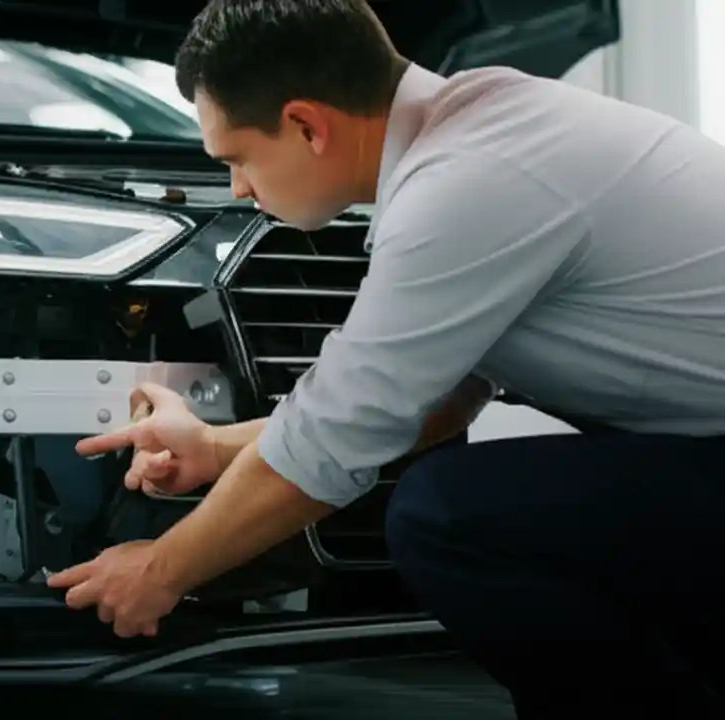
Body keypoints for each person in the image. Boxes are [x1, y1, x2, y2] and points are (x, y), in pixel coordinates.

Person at [45, 0, 725, 717]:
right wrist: (214, 447)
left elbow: (337, 438)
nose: (239, 187)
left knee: (446, 516)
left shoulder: (465, 182)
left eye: (236, 158)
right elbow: (433, 400)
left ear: (307, 125)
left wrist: (161, 569)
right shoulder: (487, 124)